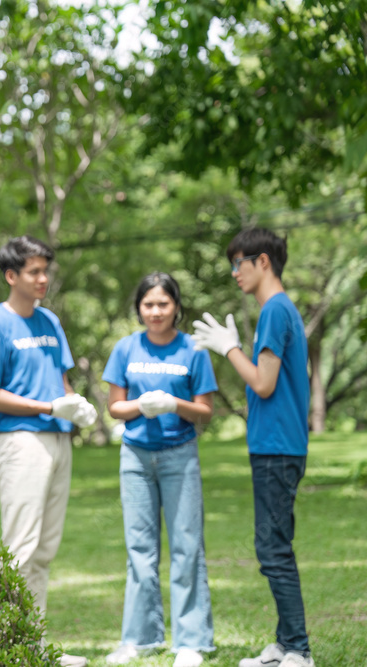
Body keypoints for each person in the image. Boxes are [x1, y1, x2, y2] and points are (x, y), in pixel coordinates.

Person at [0, 235, 97, 667]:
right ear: (12, 275)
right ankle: (8, 647)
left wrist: (76, 406)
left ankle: (33, 644)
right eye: (34, 272)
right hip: (20, 441)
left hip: (59, 440)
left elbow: (61, 382)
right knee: (20, 548)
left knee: (44, 550)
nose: (43, 278)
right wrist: (49, 406)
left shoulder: (50, 322)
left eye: (46, 270)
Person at [192, 228, 314, 667]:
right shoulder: (279, 310)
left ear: (262, 261)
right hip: (278, 445)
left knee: (273, 547)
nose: (234, 273)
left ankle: (298, 649)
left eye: (238, 263)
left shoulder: (275, 311)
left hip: (278, 446)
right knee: (273, 544)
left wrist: (228, 349)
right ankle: (284, 643)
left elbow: (263, 383)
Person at [101, 272, 217, 667]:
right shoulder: (125, 348)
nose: (155, 311)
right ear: (138, 309)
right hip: (135, 456)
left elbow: (205, 410)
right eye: (148, 304)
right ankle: (139, 638)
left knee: (187, 547)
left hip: (179, 455)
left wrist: (173, 404)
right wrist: (140, 406)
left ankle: (192, 640)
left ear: (176, 307)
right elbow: (114, 406)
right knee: (139, 550)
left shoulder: (193, 350)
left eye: (163, 304)